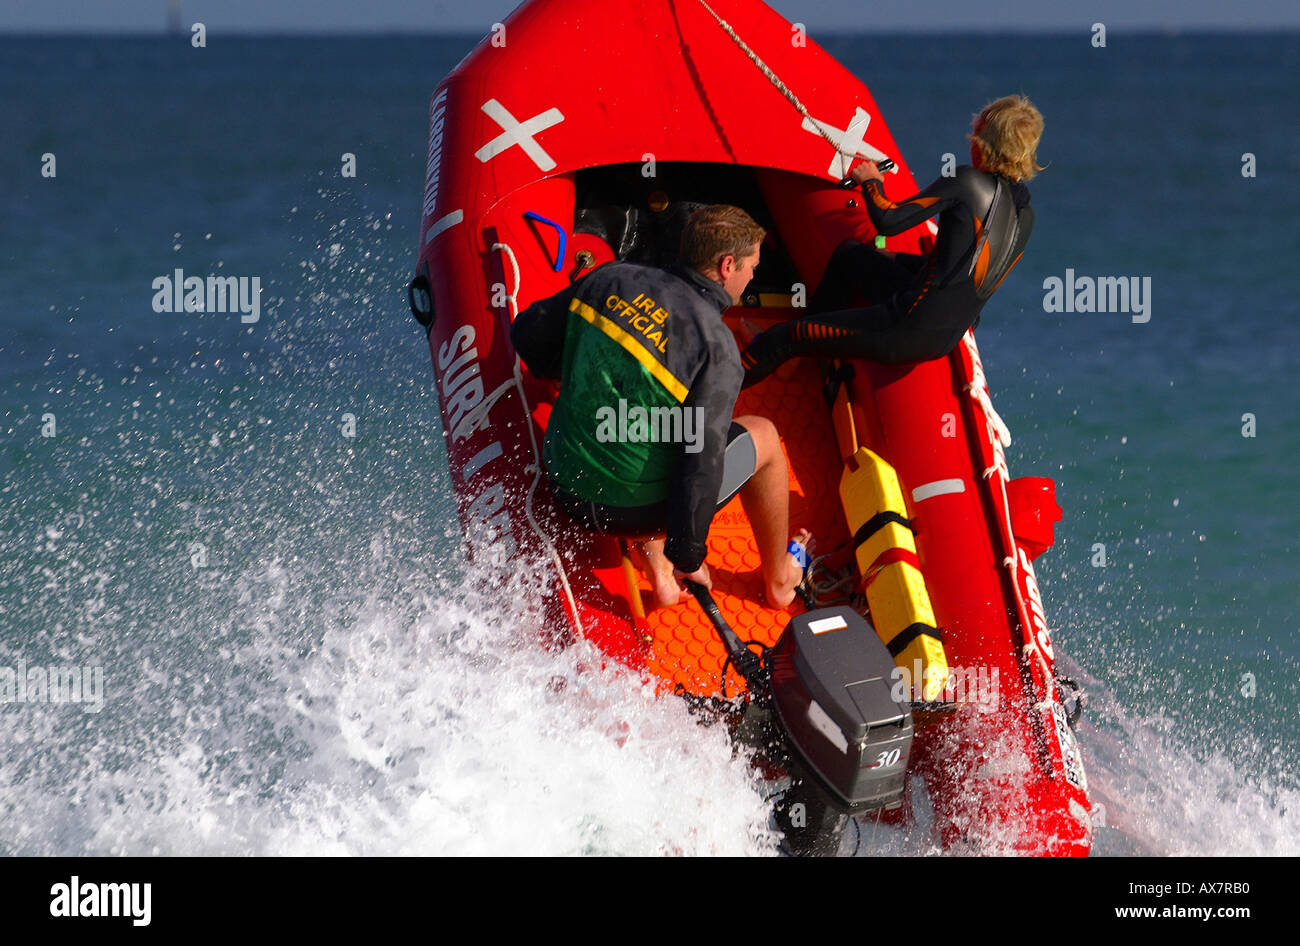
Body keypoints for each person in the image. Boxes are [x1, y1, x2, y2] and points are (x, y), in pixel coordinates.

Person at [510, 204, 809, 608]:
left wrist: (565, 372)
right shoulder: (717, 350)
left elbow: (526, 335)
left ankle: (660, 578)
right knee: (765, 437)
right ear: (726, 266)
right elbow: (700, 464)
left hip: (565, 484)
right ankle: (780, 579)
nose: (753, 274)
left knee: (638, 415)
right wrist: (687, 554)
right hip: (633, 514)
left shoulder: (609, 277)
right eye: (751, 265)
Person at [740, 95, 1043, 387]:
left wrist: (871, 181)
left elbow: (889, 221)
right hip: (944, 337)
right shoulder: (1025, 216)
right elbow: (956, 272)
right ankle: (798, 357)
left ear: (985, 145)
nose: (971, 144)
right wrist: (894, 259)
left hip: (905, 327)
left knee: (784, 337)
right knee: (851, 257)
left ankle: (705, 403)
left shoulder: (967, 182)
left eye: (975, 137)